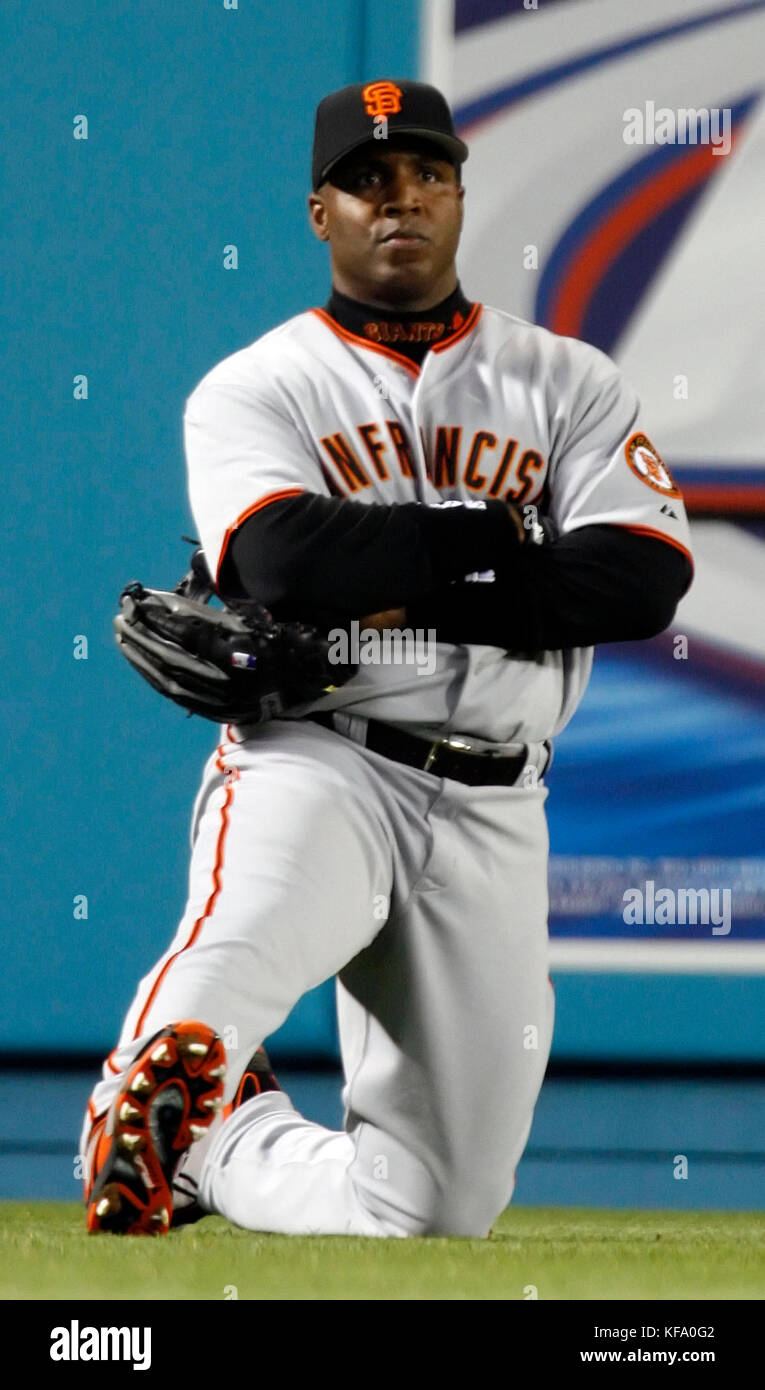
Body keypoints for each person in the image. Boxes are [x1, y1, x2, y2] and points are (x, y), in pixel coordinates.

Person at [82, 79, 693, 1239]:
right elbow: (277, 554)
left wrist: (382, 566)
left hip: (498, 801)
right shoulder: (257, 386)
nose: (399, 199)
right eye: (367, 180)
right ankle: (131, 1104)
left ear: (461, 193)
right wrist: (504, 540)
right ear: (322, 213)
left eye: (424, 174)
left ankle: (232, 1146)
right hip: (321, 758)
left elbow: (638, 579)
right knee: (238, 951)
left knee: (436, 1205)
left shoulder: (569, 383)